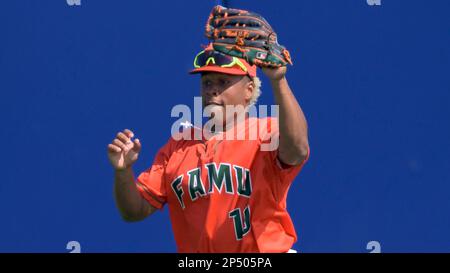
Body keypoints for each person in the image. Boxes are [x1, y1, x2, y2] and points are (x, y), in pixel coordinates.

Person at [107, 44, 310, 252]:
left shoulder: (266, 131)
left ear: (249, 90)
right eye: (207, 82)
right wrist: (123, 171)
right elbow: (134, 210)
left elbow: (297, 149)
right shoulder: (178, 146)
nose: (212, 89)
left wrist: (278, 81)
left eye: (223, 81)